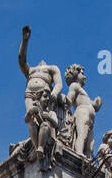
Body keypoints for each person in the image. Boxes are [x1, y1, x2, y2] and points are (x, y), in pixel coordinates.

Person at [18, 26, 63, 158]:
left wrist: (54, 93)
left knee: (45, 120)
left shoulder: (52, 68)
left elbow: (59, 83)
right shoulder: (31, 70)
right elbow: (21, 59)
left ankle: (41, 146)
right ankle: (37, 146)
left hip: (45, 96)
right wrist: (25, 41)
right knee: (31, 120)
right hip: (30, 94)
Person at [64, 65, 102, 158]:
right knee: (82, 134)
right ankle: (79, 152)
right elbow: (69, 100)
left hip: (90, 118)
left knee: (90, 143)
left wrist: (97, 103)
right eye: (82, 74)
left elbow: (94, 106)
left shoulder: (83, 92)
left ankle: (88, 158)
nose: (84, 76)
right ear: (75, 74)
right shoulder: (74, 86)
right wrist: (63, 100)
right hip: (82, 113)